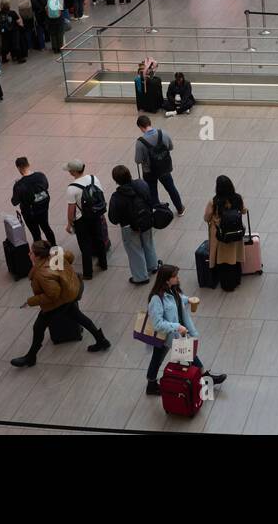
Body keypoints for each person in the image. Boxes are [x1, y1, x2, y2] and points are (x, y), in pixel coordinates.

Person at [10, 242, 112, 367]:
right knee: (78, 317)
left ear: (37, 256)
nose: (28, 253)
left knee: (38, 327)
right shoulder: (55, 255)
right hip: (71, 291)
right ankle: (101, 340)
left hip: (59, 301)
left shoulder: (42, 273)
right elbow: (70, 256)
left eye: (31, 252)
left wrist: (31, 301)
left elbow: (53, 295)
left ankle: (31, 357)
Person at [141, 265, 226, 394]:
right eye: (174, 276)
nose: (178, 278)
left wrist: (188, 300)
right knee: (162, 358)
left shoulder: (172, 291)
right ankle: (206, 378)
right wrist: (177, 327)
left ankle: (152, 384)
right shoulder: (156, 299)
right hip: (166, 337)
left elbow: (178, 300)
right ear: (166, 280)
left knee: (186, 354)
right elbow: (157, 324)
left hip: (176, 334)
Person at [109, 164, 159, 285]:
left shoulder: (117, 197)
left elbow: (113, 218)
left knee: (135, 251)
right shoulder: (141, 184)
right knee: (148, 243)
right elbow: (150, 199)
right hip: (146, 220)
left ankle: (141, 277)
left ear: (116, 180)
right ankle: (153, 266)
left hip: (129, 227)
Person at [64, 160, 109, 279]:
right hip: (96, 214)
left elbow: (71, 209)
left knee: (85, 246)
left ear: (73, 172)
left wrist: (69, 224)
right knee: (99, 239)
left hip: (82, 220)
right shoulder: (94, 178)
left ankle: (88, 273)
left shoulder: (72, 188)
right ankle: (103, 264)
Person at [134, 115, 186, 215]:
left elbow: (138, 160)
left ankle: (158, 211)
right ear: (150, 123)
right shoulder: (163, 133)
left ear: (141, 127)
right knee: (171, 188)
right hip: (164, 168)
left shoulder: (140, 142)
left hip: (149, 171)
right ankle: (180, 208)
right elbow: (170, 147)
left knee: (152, 191)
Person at [204, 173, 247, 282]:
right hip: (236, 232)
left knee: (222, 259)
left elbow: (207, 217)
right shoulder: (237, 198)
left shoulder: (214, 202)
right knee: (234, 257)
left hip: (220, 235)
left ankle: (226, 283)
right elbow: (244, 211)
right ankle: (237, 279)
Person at [12, 156, 55, 245]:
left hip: (29, 213)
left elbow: (14, 201)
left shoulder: (19, 184)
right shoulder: (41, 175)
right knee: (46, 228)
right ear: (28, 164)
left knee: (35, 233)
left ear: (18, 168)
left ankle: (40, 253)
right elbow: (46, 186)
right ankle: (54, 247)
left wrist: (16, 186)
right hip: (43, 208)